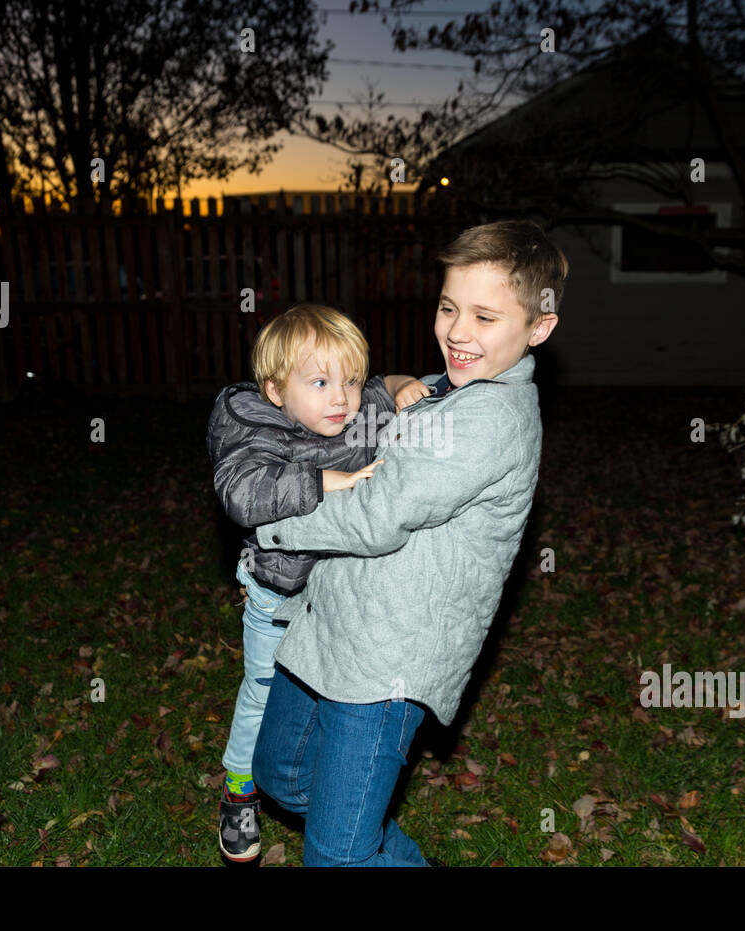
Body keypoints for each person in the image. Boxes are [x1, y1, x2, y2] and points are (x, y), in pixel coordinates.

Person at [251, 220, 568, 865]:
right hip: (331, 629)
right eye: (449, 307)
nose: (458, 331)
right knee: (281, 774)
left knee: (335, 855)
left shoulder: (492, 418)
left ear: (539, 328)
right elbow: (379, 404)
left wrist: (272, 516)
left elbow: (377, 517)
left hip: (387, 662)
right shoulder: (454, 388)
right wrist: (391, 384)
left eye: (485, 317)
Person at [206, 303, 419, 862]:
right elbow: (242, 493)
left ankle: (323, 779)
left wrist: (401, 386)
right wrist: (330, 480)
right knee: (263, 692)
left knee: (324, 699)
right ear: (276, 391)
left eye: (348, 379)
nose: (341, 398)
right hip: (278, 598)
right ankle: (237, 789)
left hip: (340, 599)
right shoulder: (253, 422)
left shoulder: (358, 405)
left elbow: (381, 385)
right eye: (320, 382)